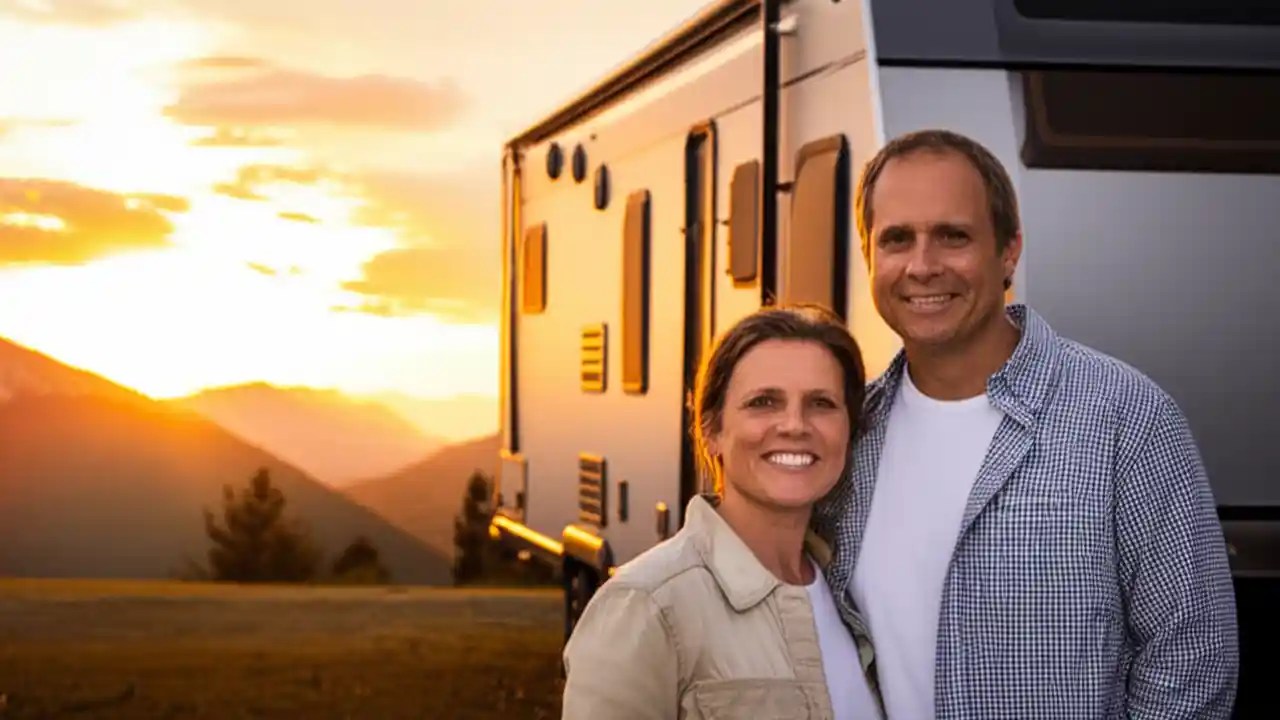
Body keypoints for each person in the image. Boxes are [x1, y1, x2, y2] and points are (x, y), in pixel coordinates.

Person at [813, 128, 1239, 718]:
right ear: (869, 257)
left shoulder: (1124, 416)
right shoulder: (850, 434)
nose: (922, 265)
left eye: (953, 236)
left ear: (1009, 250)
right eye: (896, 240)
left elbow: (1193, 659)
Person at [562, 305, 883, 719]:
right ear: (711, 430)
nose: (795, 425)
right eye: (764, 402)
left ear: (848, 429)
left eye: (821, 403)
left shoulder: (850, 598)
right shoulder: (646, 606)